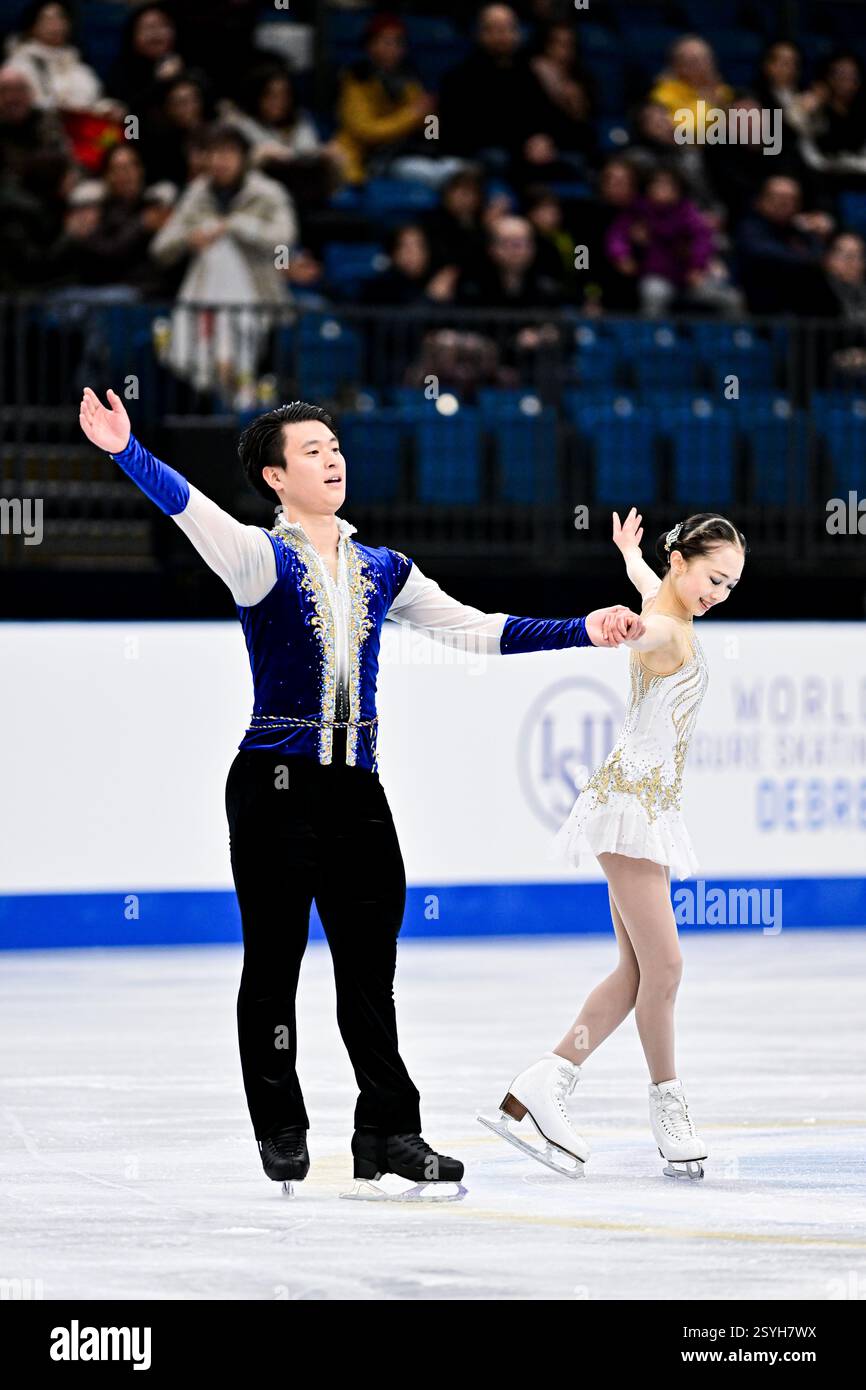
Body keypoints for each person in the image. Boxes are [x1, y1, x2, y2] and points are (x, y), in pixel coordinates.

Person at [77, 387, 647, 1199]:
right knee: (273, 964)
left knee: (369, 972)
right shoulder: (256, 557)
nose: (331, 456)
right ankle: (280, 1123)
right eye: (310, 450)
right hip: (274, 787)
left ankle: (389, 1132)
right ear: (275, 477)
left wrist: (580, 629)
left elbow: (474, 627)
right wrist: (125, 451)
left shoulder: (384, 569)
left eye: (334, 445)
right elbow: (189, 509)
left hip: (357, 792)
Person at [482, 509, 746, 1182]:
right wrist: (628, 628)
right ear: (682, 561)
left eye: (730, 587)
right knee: (667, 970)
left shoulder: (662, 596)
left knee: (636, 976)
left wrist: (630, 555)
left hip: (639, 810)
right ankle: (667, 1108)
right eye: (713, 577)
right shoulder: (664, 628)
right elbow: (646, 627)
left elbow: (646, 589)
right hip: (630, 810)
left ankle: (544, 1083)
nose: (718, 594)